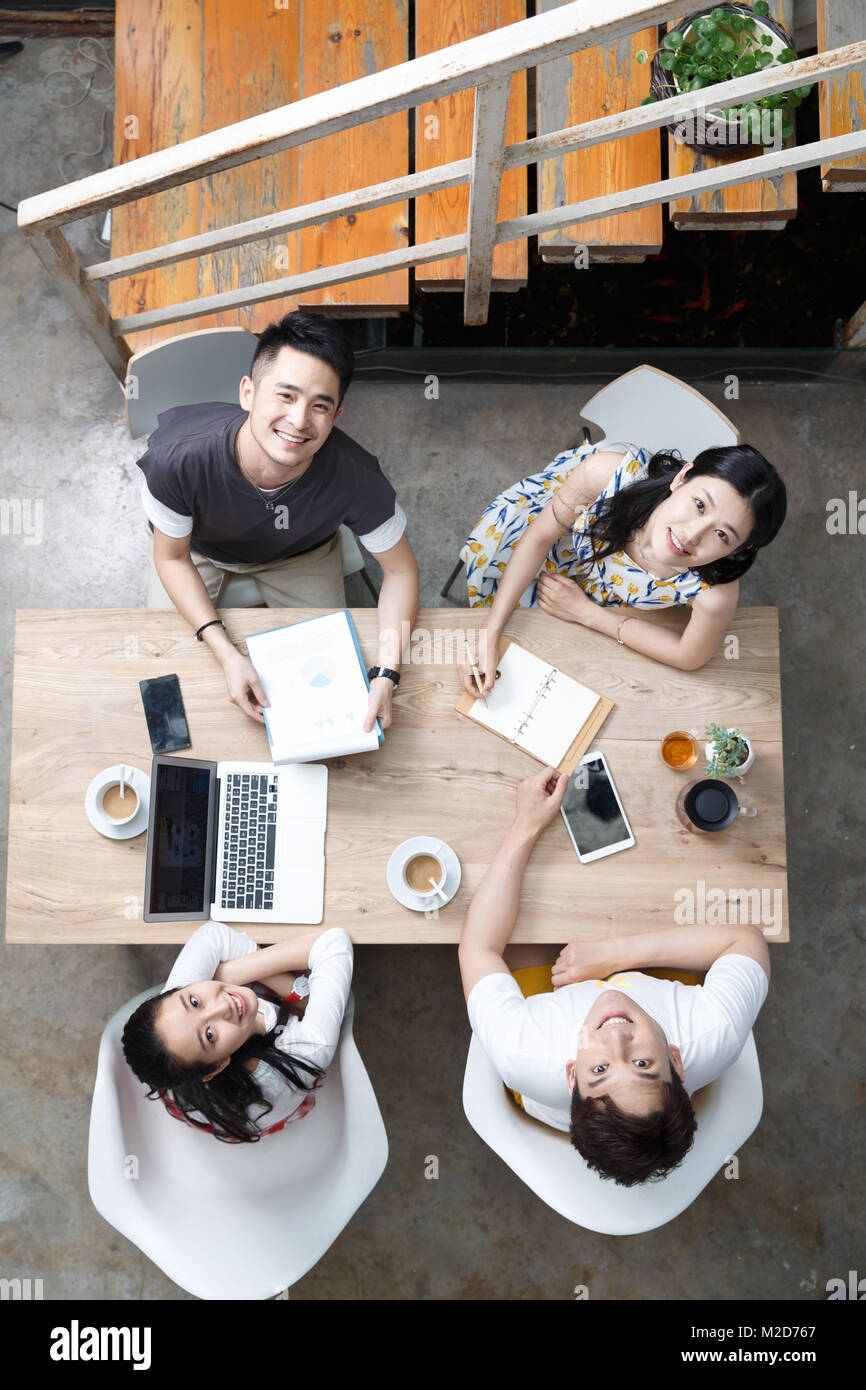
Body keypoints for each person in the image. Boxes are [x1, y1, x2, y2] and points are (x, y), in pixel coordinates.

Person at [458, 767, 770, 1186]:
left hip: (548, 1013)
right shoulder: (714, 1031)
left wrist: (526, 824)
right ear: (676, 1061)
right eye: (643, 1063)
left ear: (572, 1076)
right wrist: (615, 954)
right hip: (641, 978)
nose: (616, 1035)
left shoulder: (523, 1048)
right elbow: (746, 940)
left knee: (520, 929)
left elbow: (478, 948)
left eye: (600, 1070)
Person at [140, 311, 419, 732]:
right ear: (248, 393)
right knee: (160, 666)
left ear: (336, 416)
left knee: (330, 681)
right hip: (200, 551)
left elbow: (401, 571)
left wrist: (387, 673)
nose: (300, 420)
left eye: (319, 406)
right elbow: (171, 558)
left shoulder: (357, 477)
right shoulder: (176, 459)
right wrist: (227, 652)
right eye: (285, 396)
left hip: (300, 556)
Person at [457, 440, 786, 692]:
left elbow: (689, 656)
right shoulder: (605, 476)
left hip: (603, 608)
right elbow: (538, 538)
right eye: (699, 504)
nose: (691, 535)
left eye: (722, 535)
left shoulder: (715, 594)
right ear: (682, 478)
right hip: (551, 551)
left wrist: (588, 614)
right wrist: (489, 633)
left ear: (739, 549)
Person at [122, 921, 353, 1143]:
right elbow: (334, 941)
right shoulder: (305, 1051)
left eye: (194, 1002)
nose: (223, 1006)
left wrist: (293, 991)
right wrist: (233, 973)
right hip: (251, 1105)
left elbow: (213, 935)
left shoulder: (171, 1021)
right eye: (209, 1035)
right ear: (218, 1065)